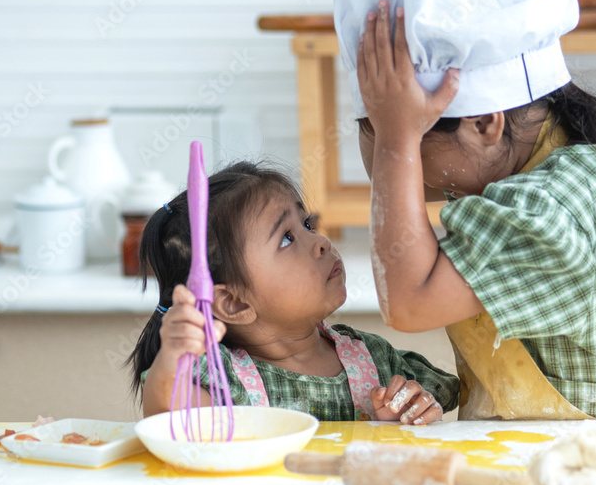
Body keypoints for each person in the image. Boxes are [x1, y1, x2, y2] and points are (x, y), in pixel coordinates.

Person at [333, 0, 596, 420]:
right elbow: (389, 181)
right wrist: (395, 130)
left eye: (411, 140)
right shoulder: (529, 161)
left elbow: (408, 302)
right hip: (543, 442)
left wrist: (396, 136)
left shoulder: (550, 210)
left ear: (486, 122)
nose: (407, 166)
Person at [126, 161, 459, 423]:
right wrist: (173, 355)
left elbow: (423, 418)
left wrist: (408, 411)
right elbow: (168, 415)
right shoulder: (223, 380)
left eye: (307, 225)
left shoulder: (374, 359)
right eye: (286, 238)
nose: (321, 242)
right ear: (234, 302)